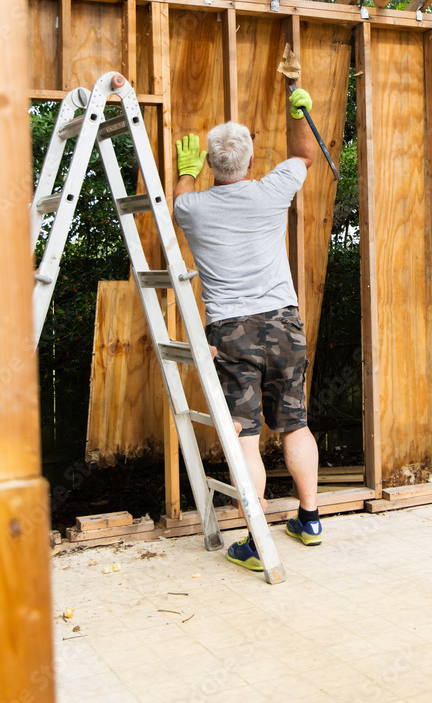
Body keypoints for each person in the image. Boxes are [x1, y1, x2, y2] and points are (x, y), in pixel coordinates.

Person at [173, 87, 322, 572]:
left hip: (231, 333)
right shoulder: (272, 189)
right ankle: (309, 518)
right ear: (252, 158)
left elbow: (175, 199)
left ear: (213, 165)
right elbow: (305, 153)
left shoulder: (192, 209)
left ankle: (258, 544)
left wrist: (186, 171)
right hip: (284, 325)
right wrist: (298, 112)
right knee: (295, 423)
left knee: (246, 435)